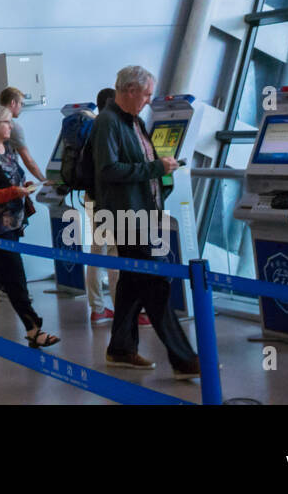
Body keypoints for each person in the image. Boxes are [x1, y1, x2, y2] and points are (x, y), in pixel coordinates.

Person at [93, 65, 200, 379]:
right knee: (155, 282)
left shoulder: (134, 122)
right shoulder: (108, 123)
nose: (149, 100)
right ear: (129, 91)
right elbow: (108, 170)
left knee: (131, 282)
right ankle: (184, 358)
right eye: (146, 94)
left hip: (142, 214)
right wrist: (156, 169)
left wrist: (158, 170)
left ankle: (120, 348)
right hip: (126, 217)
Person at [0, 104, 60, 349]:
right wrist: (12, 192)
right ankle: (33, 329)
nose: (11, 126)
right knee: (16, 281)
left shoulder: (7, 150)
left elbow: (12, 177)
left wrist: (24, 185)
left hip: (13, 226)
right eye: (7, 122)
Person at [85, 86, 121, 326]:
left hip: (91, 197)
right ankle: (121, 308)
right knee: (115, 254)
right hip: (109, 199)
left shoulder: (91, 126)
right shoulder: (108, 128)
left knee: (97, 250)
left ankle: (97, 308)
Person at [0, 86, 46, 181]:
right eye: (21, 103)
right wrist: (43, 180)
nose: (21, 107)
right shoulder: (13, 128)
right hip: (7, 181)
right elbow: (28, 160)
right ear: (13, 103)